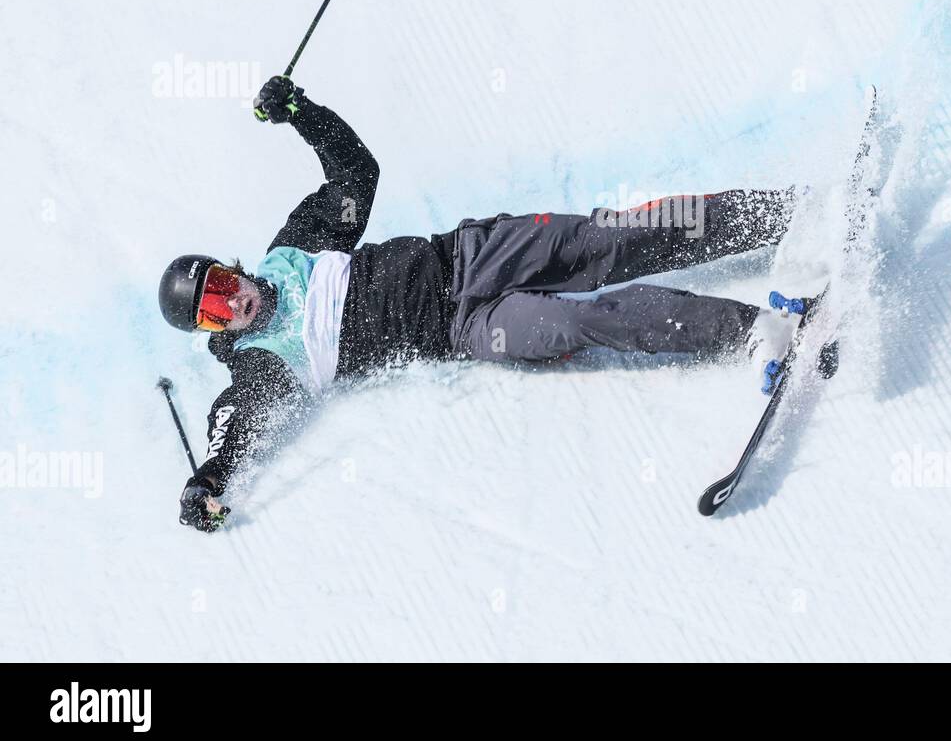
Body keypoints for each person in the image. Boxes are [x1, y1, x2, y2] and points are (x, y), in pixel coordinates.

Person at [160, 76, 798, 532]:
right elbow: (233, 424)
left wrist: (301, 112)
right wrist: (210, 478)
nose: (231, 302)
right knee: (580, 320)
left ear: (230, 266)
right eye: (213, 311)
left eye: (220, 283)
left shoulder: (293, 249)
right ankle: (751, 332)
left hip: (468, 255)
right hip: (467, 327)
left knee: (609, 238)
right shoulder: (261, 365)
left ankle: (777, 215)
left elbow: (356, 174)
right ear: (211, 330)